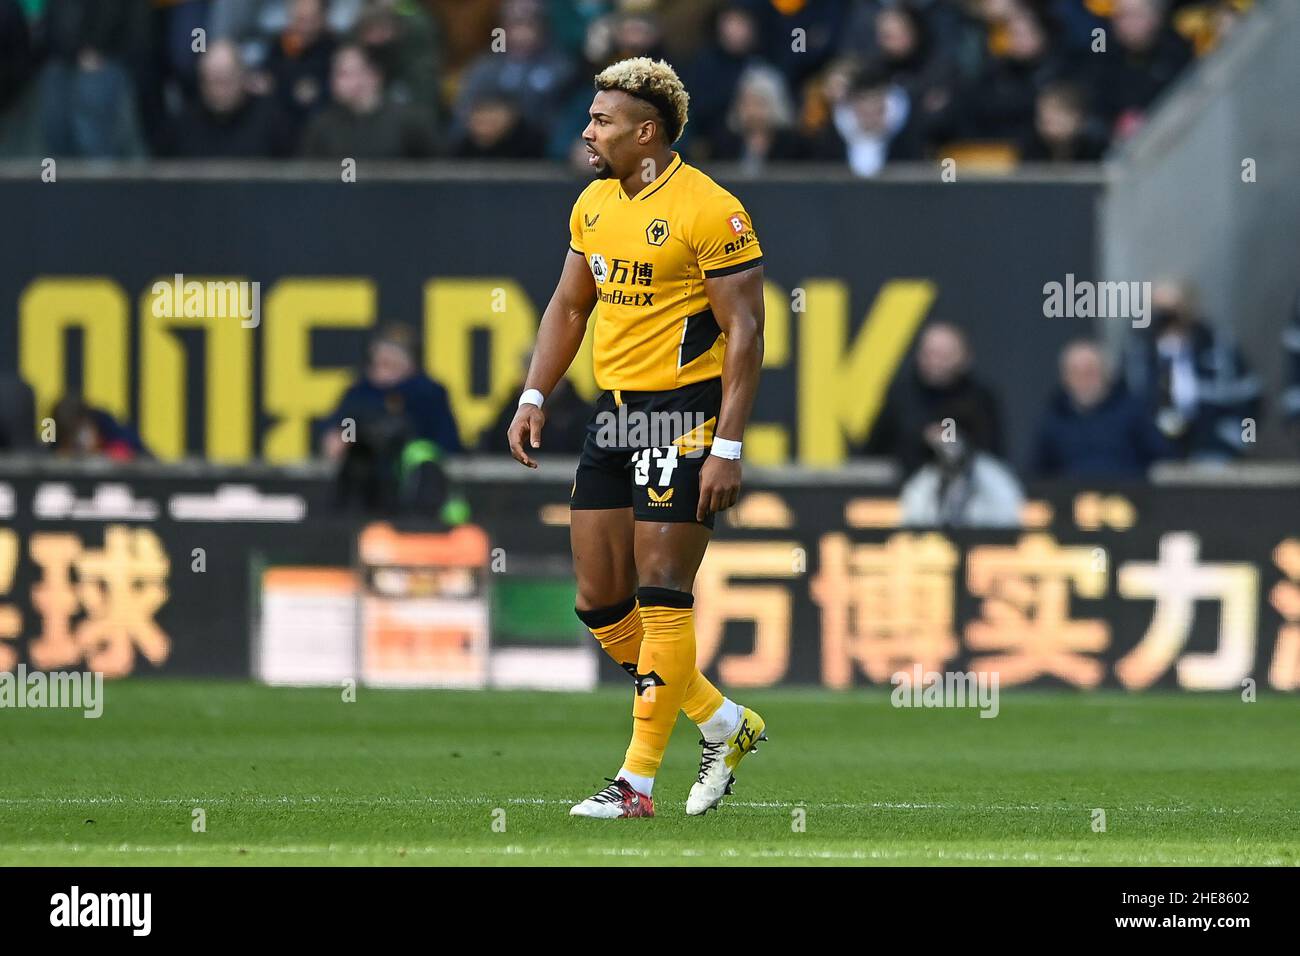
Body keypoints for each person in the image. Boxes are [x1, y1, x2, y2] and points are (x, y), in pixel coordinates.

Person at [506, 57, 767, 819]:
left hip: (682, 412)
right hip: (613, 414)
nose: (588, 130)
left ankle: (636, 784)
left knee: (661, 594)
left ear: (646, 133)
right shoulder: (592, 205)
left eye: (602, 121)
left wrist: (728, 444)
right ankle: (722, 722)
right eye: (590, 118)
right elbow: (568, 305)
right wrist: (534, 393)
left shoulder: (710, 210)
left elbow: (745, 336)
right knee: (598, 601)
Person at [322, 325, 463, 513]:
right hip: (367, 488)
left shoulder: (426, 393)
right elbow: (344, 431)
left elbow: (447, 443)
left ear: (410, 364)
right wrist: (346, 438)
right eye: (378, 362)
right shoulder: (360, 394)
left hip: (415, 492)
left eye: (391, 363)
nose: (382, 369)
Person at [861, 321, 1004, 473]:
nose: (935, 362)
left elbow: (991, 458)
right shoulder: (900, 395)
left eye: (944, 355)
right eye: (929, 354)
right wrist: (922, 437)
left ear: (965, 358)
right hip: (903, 486)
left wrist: (953, 442)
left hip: (964, 487)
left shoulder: (979, 399)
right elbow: (874, 451)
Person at [1032, 339, 1168, 478]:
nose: (1083, 380)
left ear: (1106, 373)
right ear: (1065, 378)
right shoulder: (1054, 417)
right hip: (1071, 497)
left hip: (1127, 495)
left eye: (1090, 372)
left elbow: (1164, 458)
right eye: (1075, 372)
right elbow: (1035, 472)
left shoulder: (1132, 412)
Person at [899, 422, 1023, 528]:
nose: (949, 449)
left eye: (952, 440)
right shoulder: (926, 478)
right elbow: (911, 521)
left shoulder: (992, 473)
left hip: (985, 548)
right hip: (936, 550)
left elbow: (1011, 519)